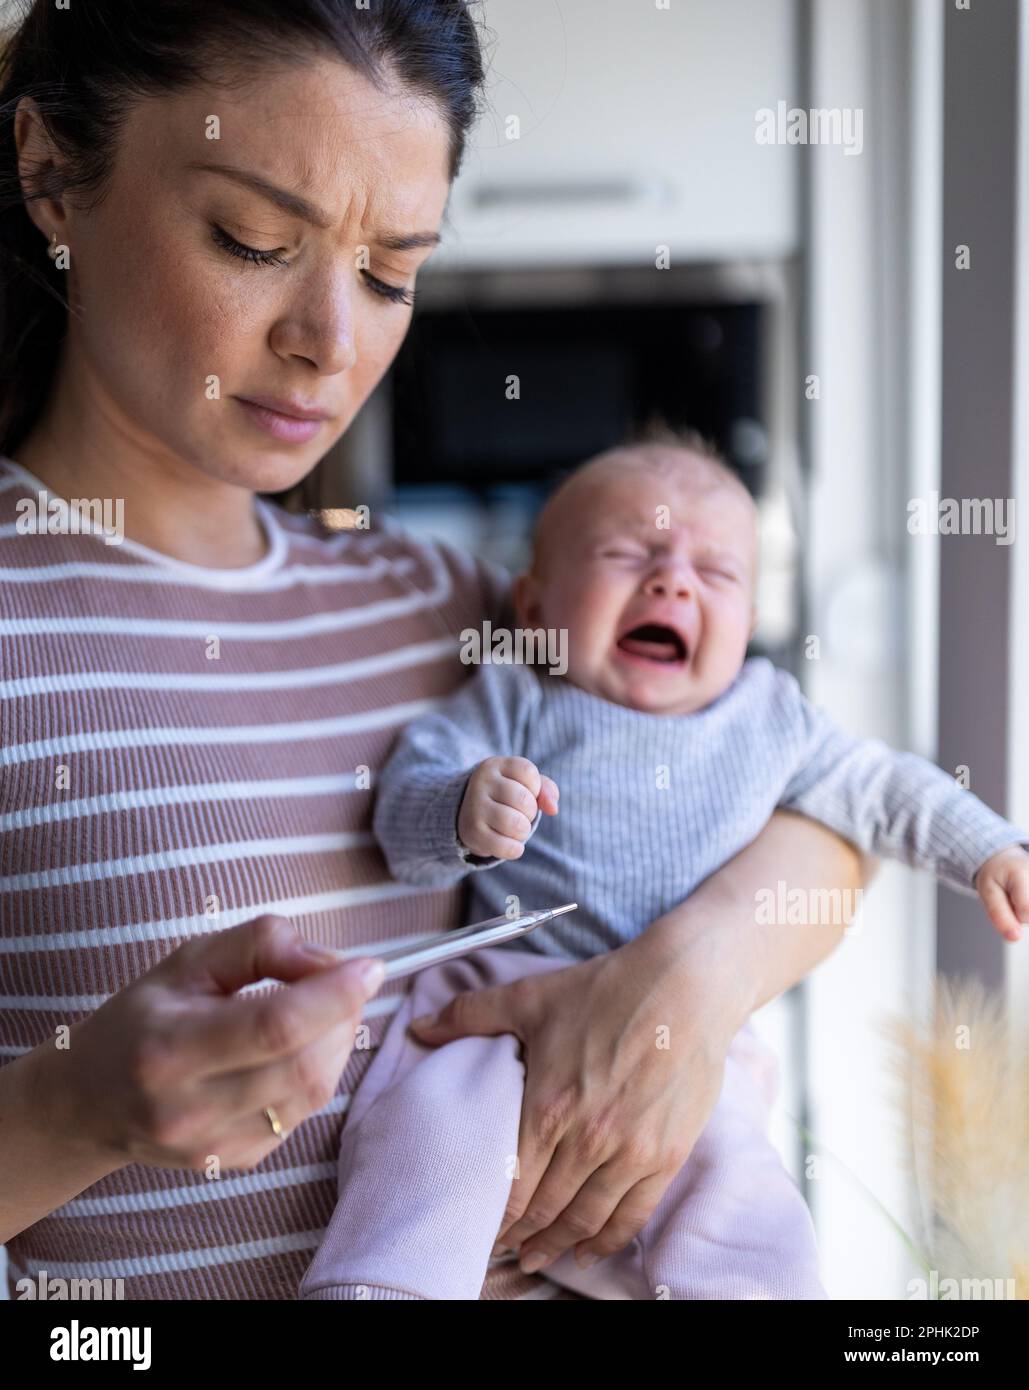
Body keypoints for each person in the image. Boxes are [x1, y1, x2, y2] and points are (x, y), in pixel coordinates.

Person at [0, 0, 869, 1301]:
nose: (331, 343)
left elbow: (814, 798)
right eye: (253, 240)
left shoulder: (448, 607)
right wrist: (80, 1111)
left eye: (391, 270)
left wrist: (684, 985)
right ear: (52, 173)